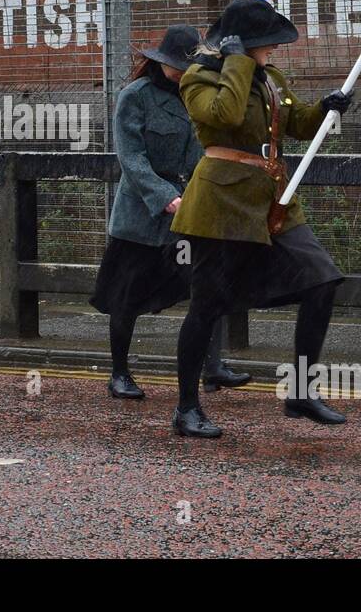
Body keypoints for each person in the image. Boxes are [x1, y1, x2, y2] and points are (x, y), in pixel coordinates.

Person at [168, 0, 353, 438]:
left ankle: (302, 392)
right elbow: (225, 116)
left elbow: (295, 122)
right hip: (221, 205)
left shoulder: (269, 78)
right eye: (267, 42)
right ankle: (186, 408)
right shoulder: (200, 77)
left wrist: (327, 109)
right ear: (244, 43)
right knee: (207, 307)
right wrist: (235, 63)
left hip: (274, 200)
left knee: (322, 280)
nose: (274, 49)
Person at [90, 25, 252, 399]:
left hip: (193, 207)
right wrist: (165, 197)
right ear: (160, 62)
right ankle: (119, 373)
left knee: (208, 287)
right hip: (142, 214)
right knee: (126, 295)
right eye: (178, 65)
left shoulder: (198, 96)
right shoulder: (136, 97)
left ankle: (212, 368)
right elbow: (131, 158)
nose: (183, 72)